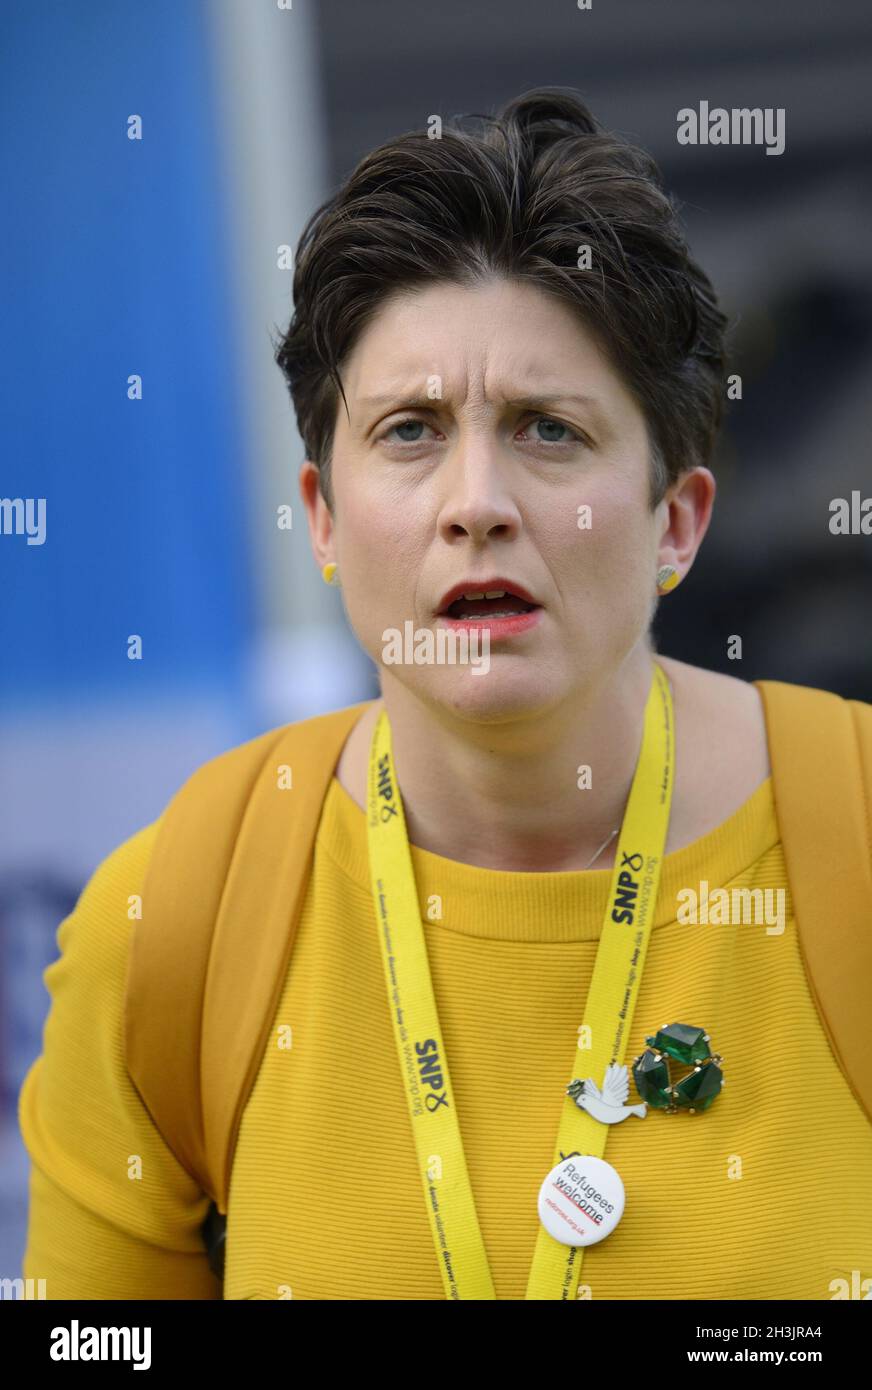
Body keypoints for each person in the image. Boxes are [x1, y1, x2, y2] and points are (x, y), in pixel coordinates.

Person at [19, 88, 872, 1301]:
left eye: (547, 429)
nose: (477, 500)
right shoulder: (177, 915)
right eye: (411, 429)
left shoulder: (854, 838)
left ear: (674, 521)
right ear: (321, 517)